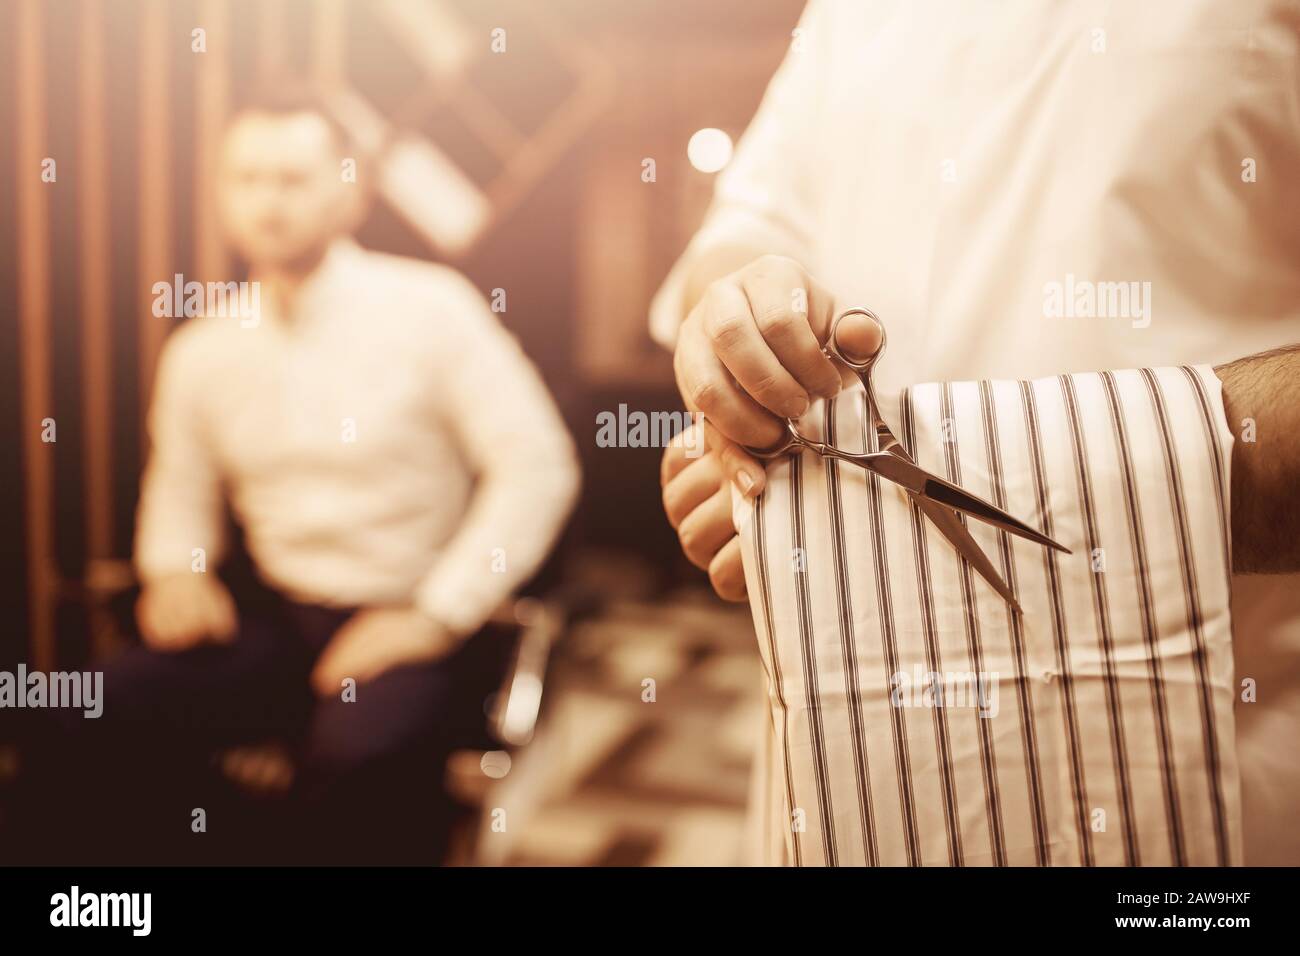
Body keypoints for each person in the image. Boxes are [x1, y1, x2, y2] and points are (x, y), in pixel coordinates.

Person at [654, 0, 1299, 864]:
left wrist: (876, 518)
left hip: (1206, 759)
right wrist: (738, 352)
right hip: (843, 758)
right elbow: (753, 224)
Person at [21, 88, 579, 864]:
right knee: (74, 715)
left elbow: (537, 466)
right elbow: (181, 489)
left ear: (348, 192)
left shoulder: (432, 310)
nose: (268, 201)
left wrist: (435, 613)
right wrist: (174, 574)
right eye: (247, 179)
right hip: (278, 622)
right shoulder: (204, 349)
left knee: (352, 764)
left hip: (414, 621)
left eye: (292, 179)